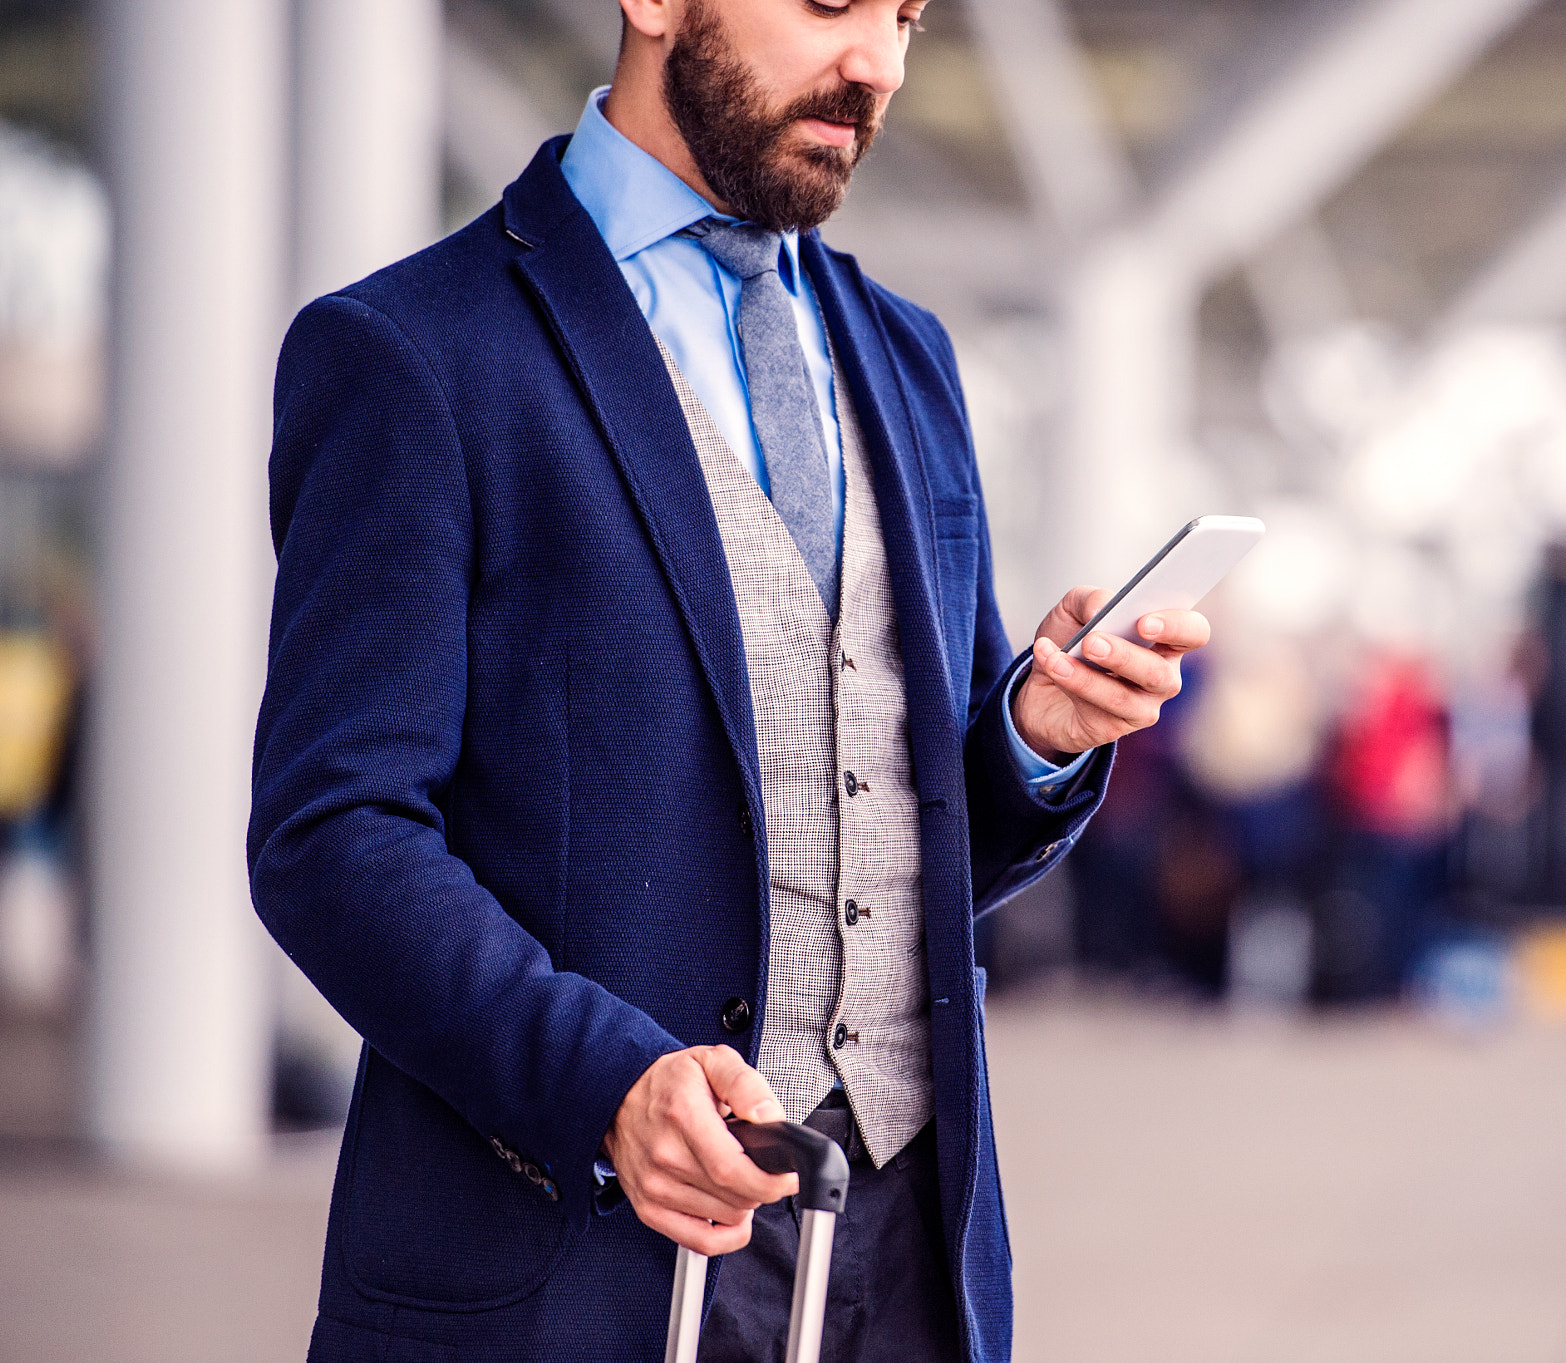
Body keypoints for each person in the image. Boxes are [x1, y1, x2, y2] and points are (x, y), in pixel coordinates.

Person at [247, 3, 1210, 1359]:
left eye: (907, 16)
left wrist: (1032, 737)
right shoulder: (417, 353)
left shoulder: (910, 357)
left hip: (909, 1259)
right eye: (831, 4)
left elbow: (896, 832)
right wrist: (605, 1088)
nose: (875, 62)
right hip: (570, 1267)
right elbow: (331, 836)